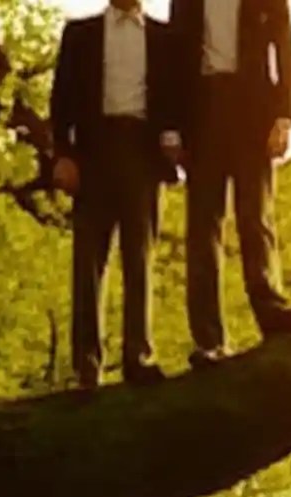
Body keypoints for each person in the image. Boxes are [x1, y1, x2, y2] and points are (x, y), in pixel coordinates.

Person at [50, 0, 181, 388]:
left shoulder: (165, 38)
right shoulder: (80, 34)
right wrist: (63, 155)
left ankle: (138, 356)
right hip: (93, 151)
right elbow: (60, 101)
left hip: (143, 150)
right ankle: (87, 363)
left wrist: (176, 141)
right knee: (88, 259)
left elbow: (179, 98)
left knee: (139, 257)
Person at [169, 0, 291, 370]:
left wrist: (284, 116)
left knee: (255, 217)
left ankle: (271, 312)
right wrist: (172, 128)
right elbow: (172, 59)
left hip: (254, 111)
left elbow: (286, 48)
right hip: (201, 113)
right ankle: (208, 340)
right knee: (203, 228)